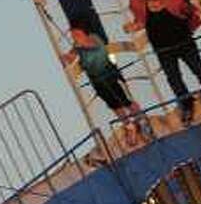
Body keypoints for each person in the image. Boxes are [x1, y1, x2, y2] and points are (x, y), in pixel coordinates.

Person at [63, 17, 147, 145]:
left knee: (126, 100)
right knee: (114, 105)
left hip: (110, 77)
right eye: (73, 34)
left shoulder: (94, 38)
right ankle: (129, 125)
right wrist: (67, 58)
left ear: (83, 32)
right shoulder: (77, 45)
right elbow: (72, 56)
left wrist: (81, 44)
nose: (74, 36)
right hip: (97, 82)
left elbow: (92, 46)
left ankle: (142, 120)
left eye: (76, 33)